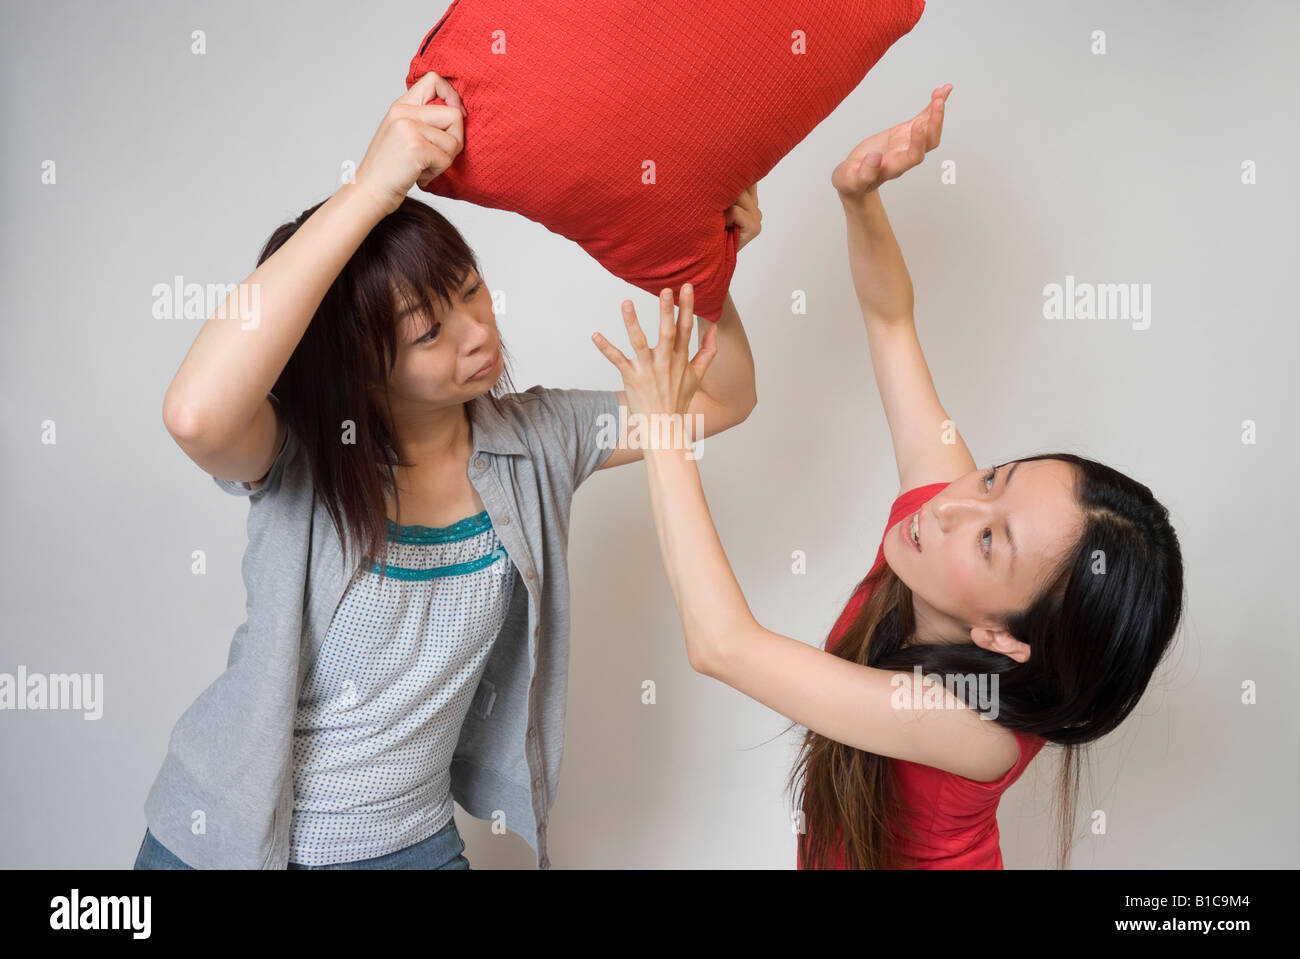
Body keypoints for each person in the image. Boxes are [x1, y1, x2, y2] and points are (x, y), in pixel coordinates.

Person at [135, 70, 760, 869]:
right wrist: (365, 193)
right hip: (216, 846)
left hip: (411, 848)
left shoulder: (536, 438)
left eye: (472, 291)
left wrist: (714, 266)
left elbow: (727, 397)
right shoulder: (302, 457)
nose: (476, 333)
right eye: (430, 331)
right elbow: (194, 413)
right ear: (360, 367)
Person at [591, 84, 1185, 869]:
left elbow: (723, 645)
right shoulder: (945, 515)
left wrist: (667, 431)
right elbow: (891, 321)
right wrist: (858, 196)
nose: (954, 501)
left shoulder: (968, 725)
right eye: (995, 478)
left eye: (989, 540)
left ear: (1001, 638)